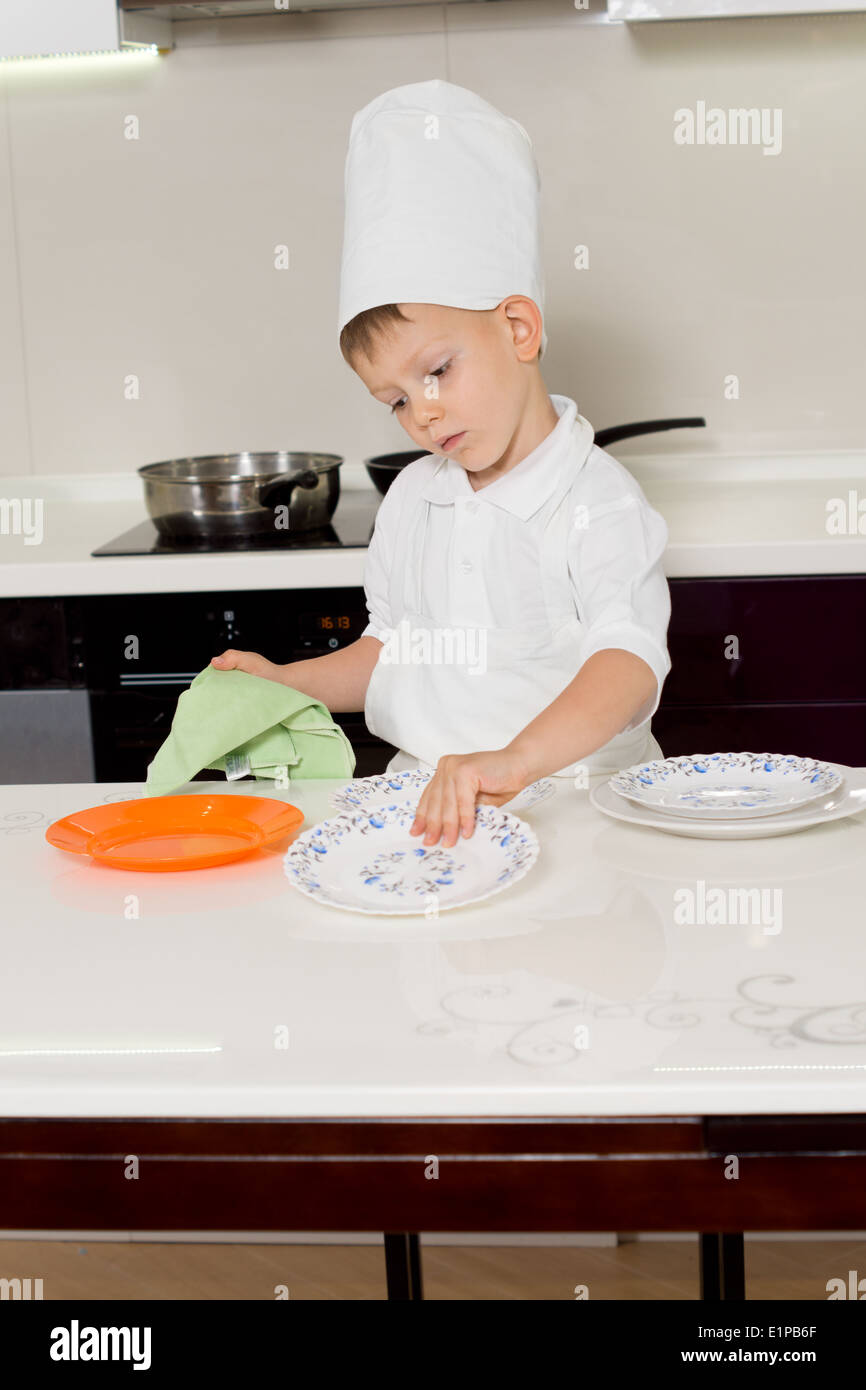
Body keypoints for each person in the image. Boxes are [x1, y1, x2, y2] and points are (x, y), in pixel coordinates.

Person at [212, 80, 671, 850]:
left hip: (582, 821)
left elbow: (628, 663)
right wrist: (287, 682)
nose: (420, 413)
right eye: (394, 399)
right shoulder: (413, 501)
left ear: (518, 328)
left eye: (436, 372)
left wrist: (516, 760)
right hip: (431, 823)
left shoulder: (597, 499)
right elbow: (392, 655)